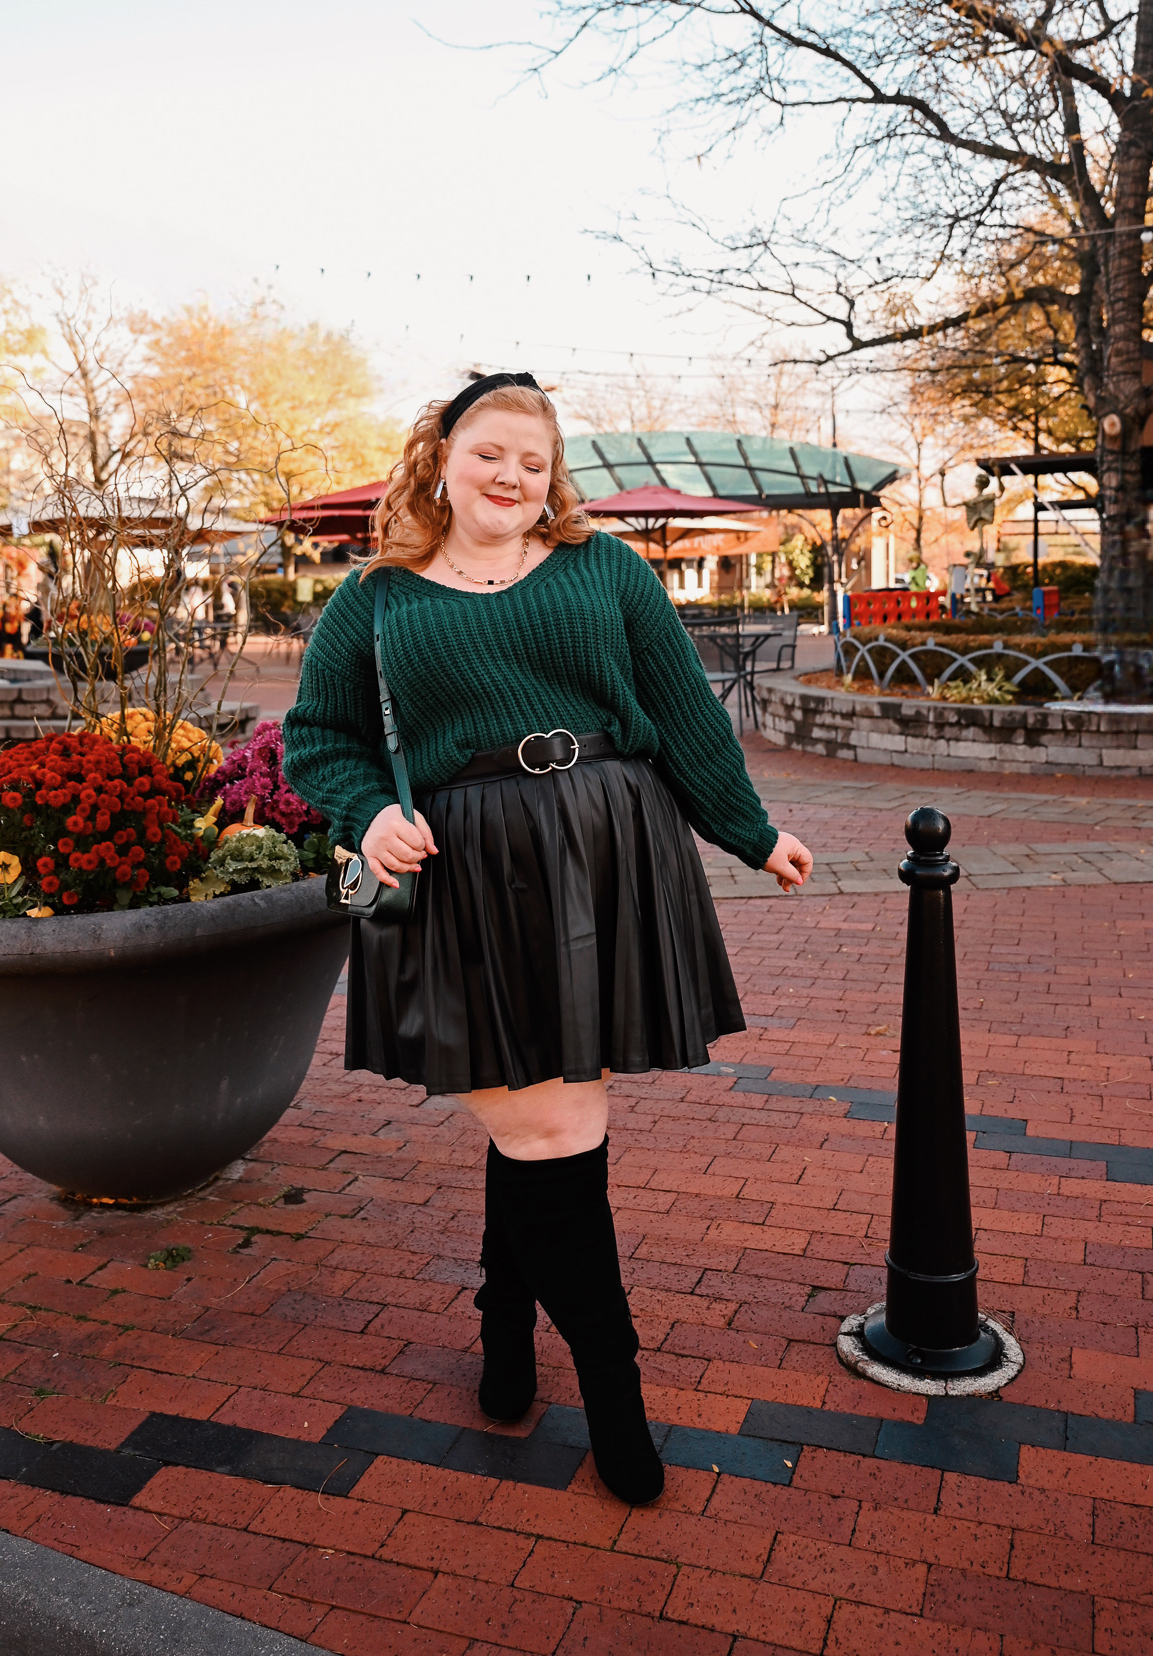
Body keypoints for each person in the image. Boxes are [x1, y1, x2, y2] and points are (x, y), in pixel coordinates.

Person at [283, 373, 814, 1506]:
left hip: (608, 850)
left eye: (533, 458)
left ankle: (505, 1325)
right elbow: (319, 738)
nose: (512, 475)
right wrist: (366, 809)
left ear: (552, 472)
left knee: (548, 1117)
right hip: (465, 869)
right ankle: (614, 1394)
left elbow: (680, 712)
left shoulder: (603, 568)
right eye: (490, 451)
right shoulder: (375, 597)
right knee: (551, 1125)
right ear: (441, 455)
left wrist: (750, 831)